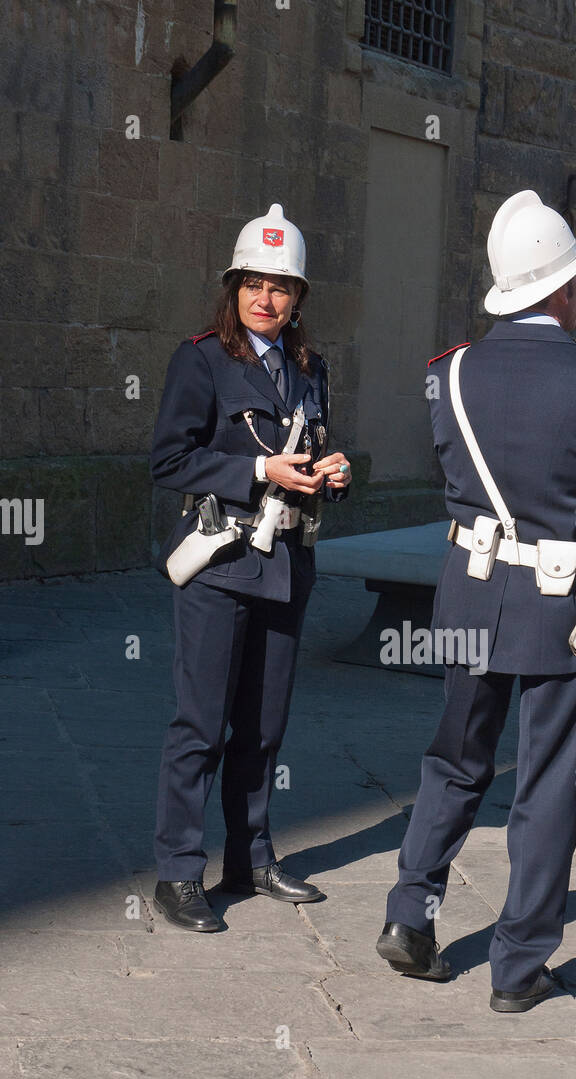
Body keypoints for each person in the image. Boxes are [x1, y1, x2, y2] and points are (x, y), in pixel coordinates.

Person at [378, 189, 576, 1011]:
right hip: (561, 606)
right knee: (549, 781)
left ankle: (411, 917)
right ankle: (518, 965)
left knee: (454, 760)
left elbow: (456, 482)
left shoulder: (445, 372)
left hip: (468, 592)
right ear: (563, 289)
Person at [150, 203, 351, 932]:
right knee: (200, 725)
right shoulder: (201, 359)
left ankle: (251, 855)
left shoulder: (309, 368)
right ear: (233, 288)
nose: (266, 299)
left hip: (289, 562)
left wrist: (333, 469)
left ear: (298, 299)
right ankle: (177, 871)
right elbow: (168, 461)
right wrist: (259, 467)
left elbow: (316, 443)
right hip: (223, 563)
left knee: (264, 727)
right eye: (254, 284)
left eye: (282, 287)